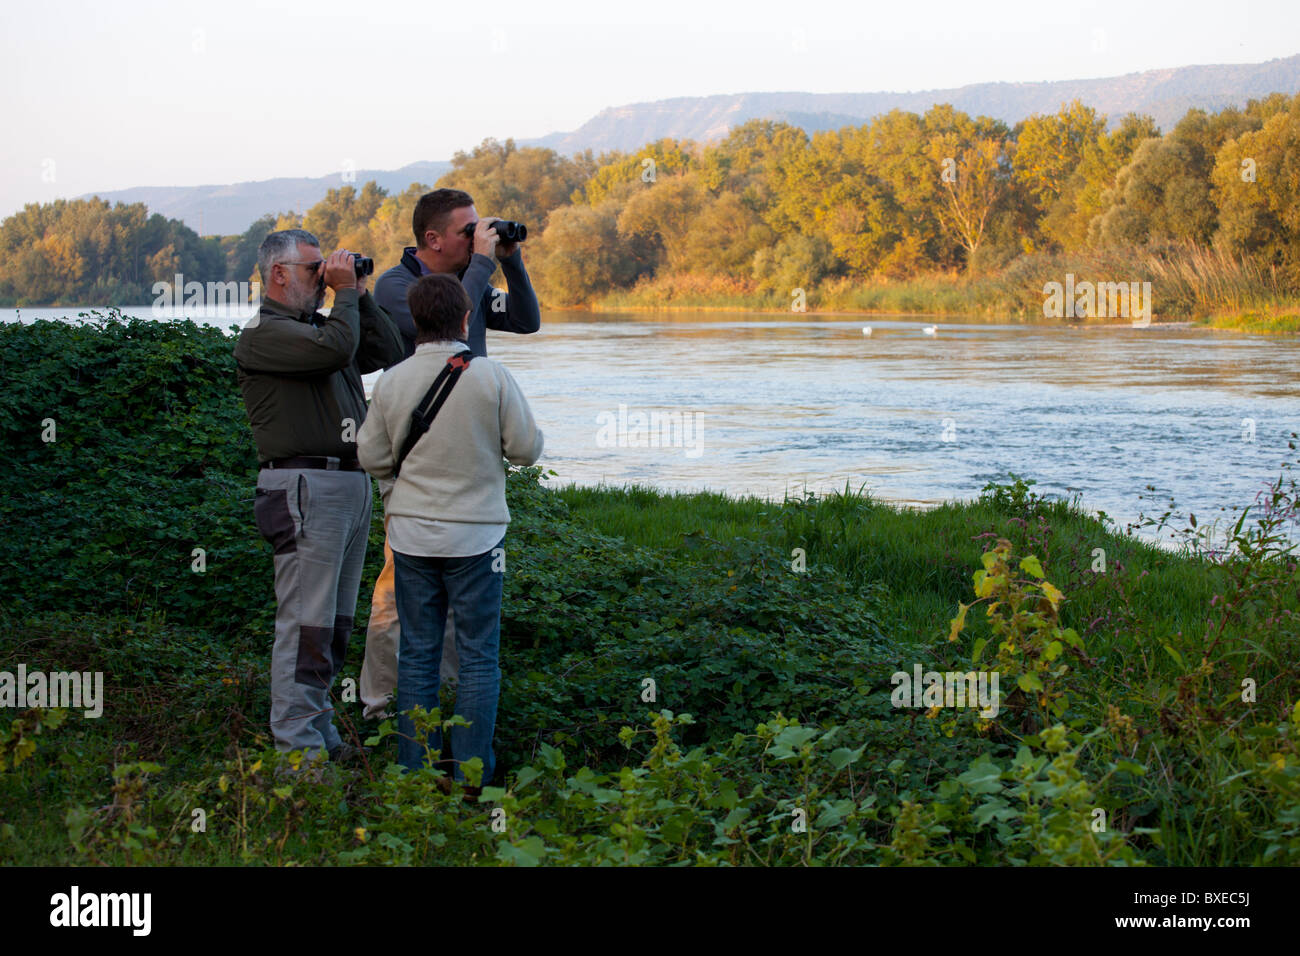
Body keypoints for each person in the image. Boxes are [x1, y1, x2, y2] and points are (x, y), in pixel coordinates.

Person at [359, 189, 540, 721]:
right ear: (432, 239)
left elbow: (527, 321)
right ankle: (382, 707)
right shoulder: (399, 287)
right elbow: (436, 336)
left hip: (467, 456)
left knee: (457, 611)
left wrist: (511, 261)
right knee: (396, 604)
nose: (476, 237)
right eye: (468, 230)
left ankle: (442, 712)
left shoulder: (474, 278)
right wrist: (482, 265)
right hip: (417, 467)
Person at [234, 229, 404, 762]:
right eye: (315, 270)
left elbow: (391, 350)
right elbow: (338, 348)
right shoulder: (265, 332)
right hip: (304, 486)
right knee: (305, 626)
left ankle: (321, 736)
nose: (324, 279)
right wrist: (346, 297)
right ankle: (297, 756)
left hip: (348, 484)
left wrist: (360, 291)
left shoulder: (324, 328)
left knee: (332, 627)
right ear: (278, 273)